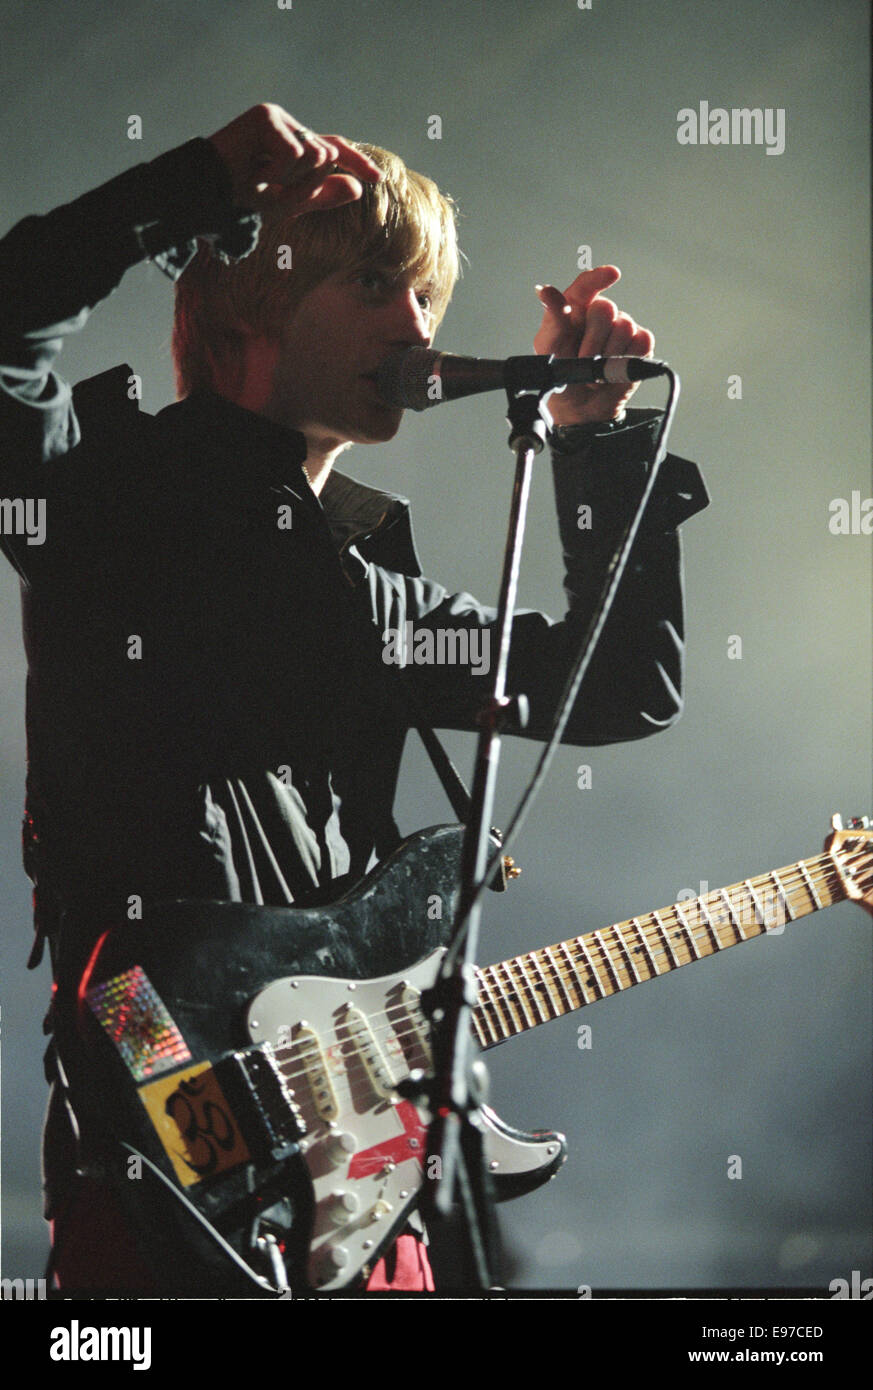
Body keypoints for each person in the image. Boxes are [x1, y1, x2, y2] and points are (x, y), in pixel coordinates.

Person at [0, 103, 708, 1294]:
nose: (418, 325)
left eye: (426, 294)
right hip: (175, 1156)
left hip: (363, 1173)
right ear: (251, 297)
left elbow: (621, 684)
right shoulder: (103, 500)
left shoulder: (371, 593)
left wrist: (596, 448)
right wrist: (195, 185)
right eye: (380, 282)